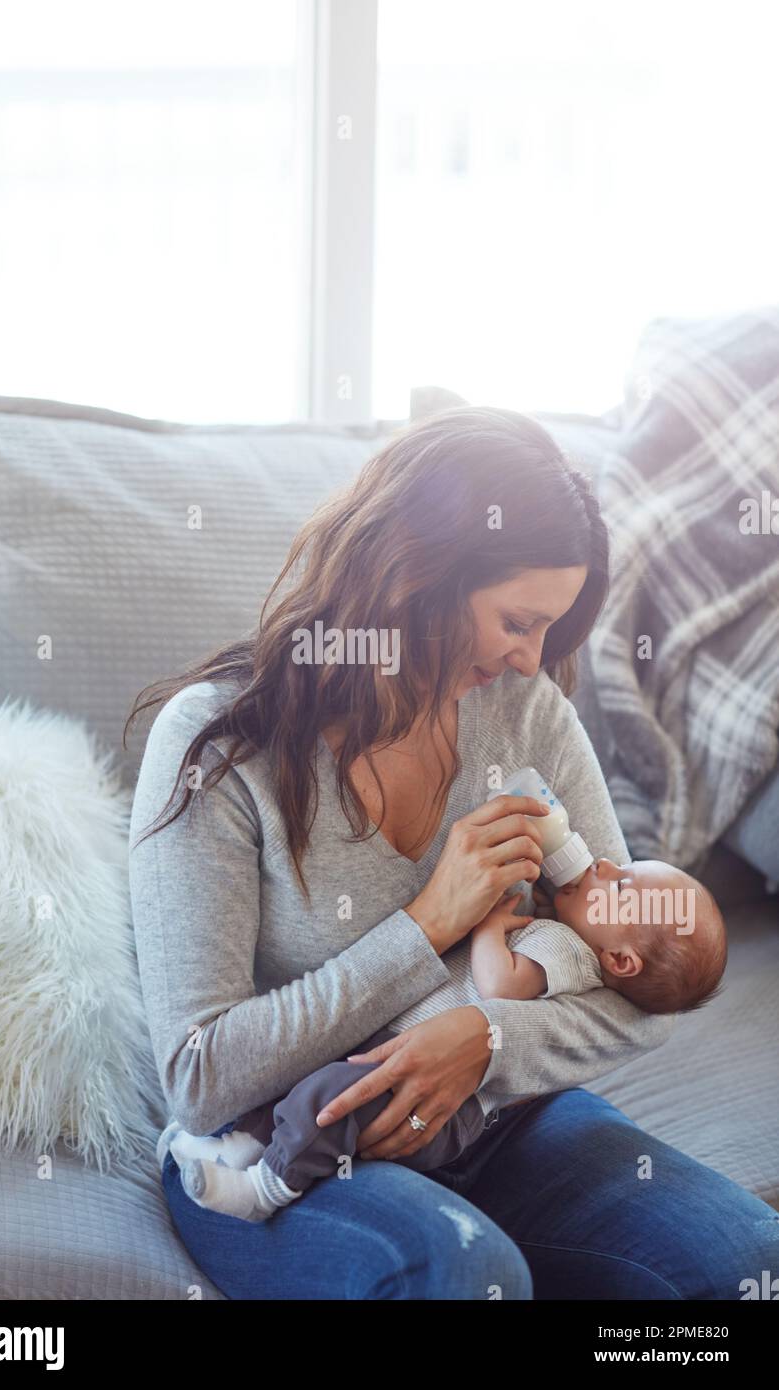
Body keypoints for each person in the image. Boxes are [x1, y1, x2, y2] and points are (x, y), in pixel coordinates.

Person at [126, 405, 779, 1299]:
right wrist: (427, 922)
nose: (530, 661)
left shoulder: (529, 716)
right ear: (416, 577)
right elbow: (198, 1075)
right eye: (517, 621)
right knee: (467, 1273)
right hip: (278, 1149)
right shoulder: (221, 744)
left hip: (490, 1120)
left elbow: (646, 986)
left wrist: (484, 1036)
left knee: (748, 1258)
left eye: (550, 631)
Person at [155, 856, 727, 1223]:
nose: (604, 862)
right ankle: (243, 1146)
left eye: (621, 883)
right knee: (317, 1077)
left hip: (441, 1101)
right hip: (409, 1052)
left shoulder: (565, 949)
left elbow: (500, 985)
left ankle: (265, 1187)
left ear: (621, 960)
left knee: (333, 1100)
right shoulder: (573, 939)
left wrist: (483, 926)